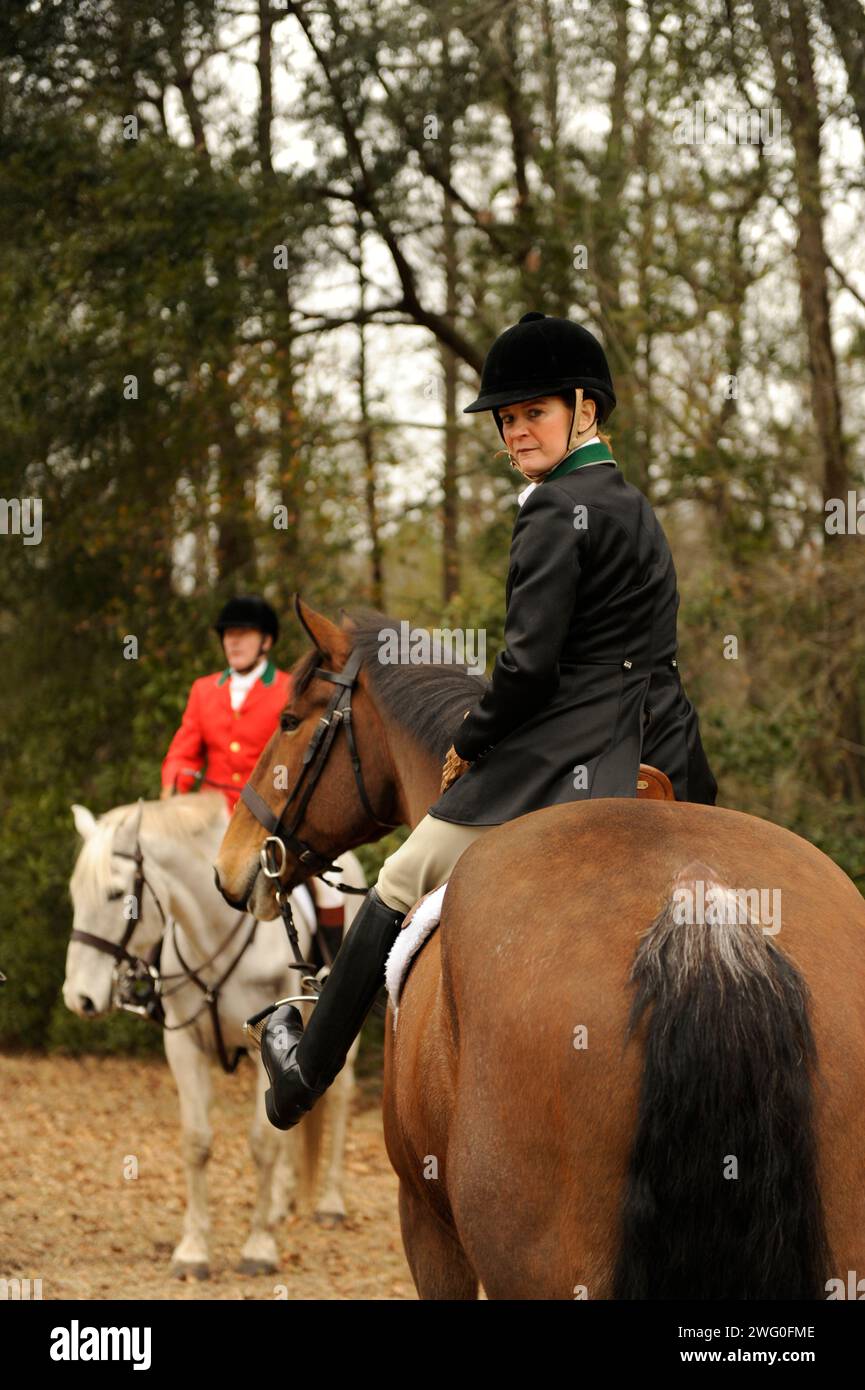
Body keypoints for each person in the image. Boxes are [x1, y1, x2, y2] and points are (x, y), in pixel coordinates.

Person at [258, 310, 718, 1131]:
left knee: (400, 878)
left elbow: (528, 665)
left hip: (559, 762)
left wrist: (469, 743)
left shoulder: (551, 508)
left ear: (585, 409)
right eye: (506, 419)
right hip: (663, 757)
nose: (514, 433)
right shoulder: (638, 510)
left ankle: (301, 1074)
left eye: (530, 413)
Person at [161, 594, 347, 943]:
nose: (232, 641)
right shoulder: (203, 691)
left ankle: (329, 972)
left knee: (330, 892)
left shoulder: (288, 690)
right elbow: (182, 755)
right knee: (164, 886)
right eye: (228, 634)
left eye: (242, 633)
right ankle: (154, 980)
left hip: (271, 822)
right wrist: (173, 789)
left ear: (266, 640)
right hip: (210, 822)